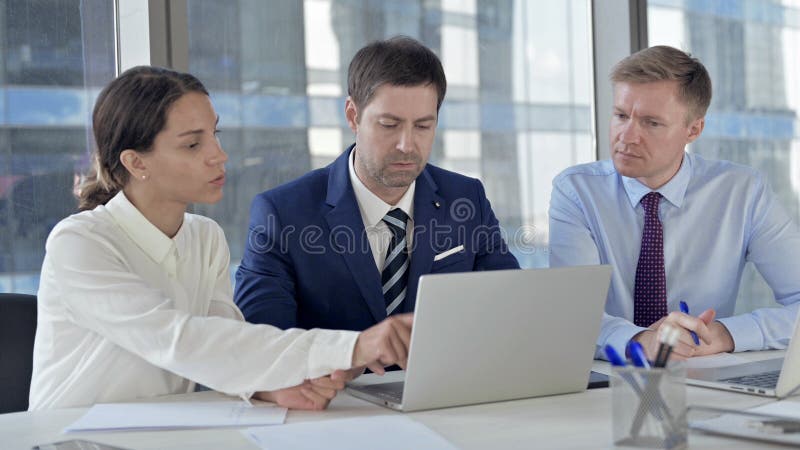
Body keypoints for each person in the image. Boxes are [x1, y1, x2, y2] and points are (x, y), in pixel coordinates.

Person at [28, 66, 413, 411]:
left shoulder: (204, 236)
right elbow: (179, 340)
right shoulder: (79, 243)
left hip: (159, 433)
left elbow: (229, 344)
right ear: (136, 162)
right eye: (193, 144)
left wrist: (268, 389)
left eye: (215, 134)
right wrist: (353, 347)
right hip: (68, 437)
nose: (219, 155)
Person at [234, 36, 519, 332]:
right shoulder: (281, 214)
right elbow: (263, 344)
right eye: (389, 125)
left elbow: (512, 311)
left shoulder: (467, 199)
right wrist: (355, 352)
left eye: (423, 126)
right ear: (352, 116)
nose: (407, 145)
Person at [549, 45, 800, 361]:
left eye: (651, 123)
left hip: (704, 371)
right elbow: (571, 315)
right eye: (621, 115)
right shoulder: (577, 192)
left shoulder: (743, 192)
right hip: (608, 373)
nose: (627, 136)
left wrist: (724, 334)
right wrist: (641, 340)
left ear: (693, 129)